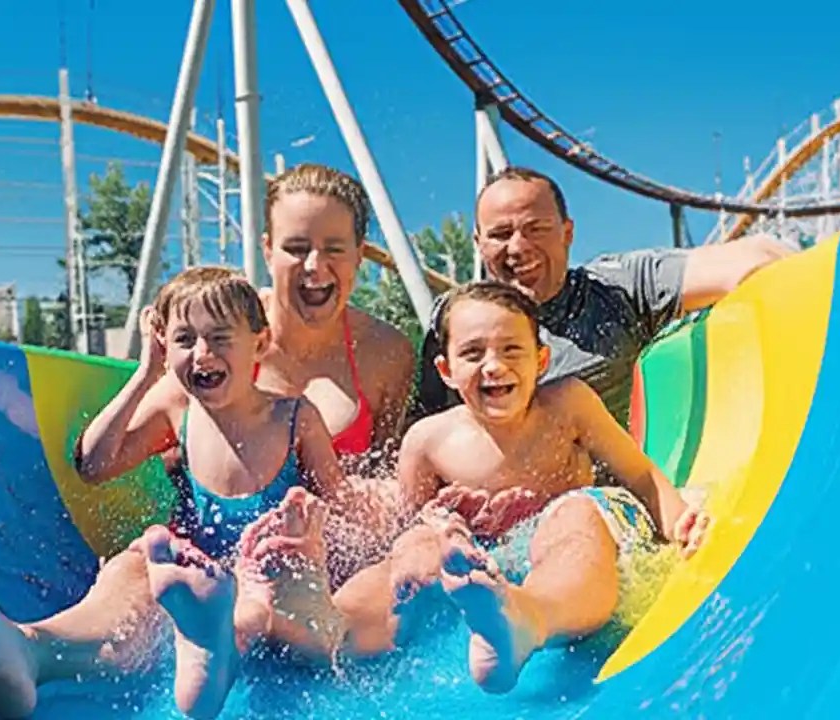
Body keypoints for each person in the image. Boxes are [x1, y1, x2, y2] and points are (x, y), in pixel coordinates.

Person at [0, 268, 359, 720]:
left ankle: (218, 644)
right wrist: (146, 373)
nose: (201, 354)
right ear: (163, 344)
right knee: (134, 566)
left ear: (258, 342)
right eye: (183, 340)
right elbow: (93, 467)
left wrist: (308, 523)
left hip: (269, 586)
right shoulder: (176, 408)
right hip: (195, 584)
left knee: (275, 581)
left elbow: (340, 512)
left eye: (220, 338)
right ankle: (25, 652)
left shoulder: (294, 417)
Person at [328, 281, 711, 692]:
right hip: (495, 558)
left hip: (577, 538)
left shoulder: (567, 404)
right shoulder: (427, 441)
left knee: (574, 513)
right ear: (446, 370)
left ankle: (528, 621)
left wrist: (679, 521)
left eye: (511, 350)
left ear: (541, 360)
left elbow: (640, 475)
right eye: (473, 353)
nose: (493, 365)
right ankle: (328, 625)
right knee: (417, 545)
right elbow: (407, 527)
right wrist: (443, 525)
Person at [412, 166, 796, 427]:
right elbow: (422, 434)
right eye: (500, 234)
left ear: (567, 232)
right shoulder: (454, 328)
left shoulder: (615, 289)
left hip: (607, 501)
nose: (518, 247)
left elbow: (758, 256)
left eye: (536, 228)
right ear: (478, 243)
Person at [255, 163, 416, 475]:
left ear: (359, 254)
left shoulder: (385, 354)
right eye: (296, 248)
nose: (315, 265)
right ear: (268, 251)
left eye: (334, 249)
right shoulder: (219, 335)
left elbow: (386, 484)